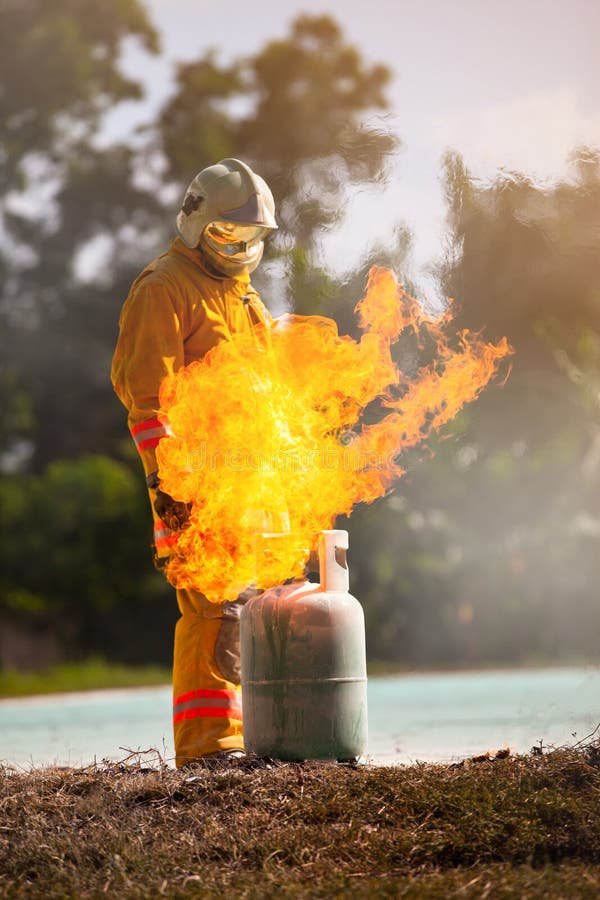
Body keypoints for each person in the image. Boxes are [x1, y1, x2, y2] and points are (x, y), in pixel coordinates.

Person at [111, 158, 277, 767]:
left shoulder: (244, 296)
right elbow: (148, 399)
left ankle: (264, 734)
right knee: (214, 611)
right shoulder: (163, 288)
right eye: (227, 232)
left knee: (260, 613)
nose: (239, 246)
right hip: (195, 486)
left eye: (250, 235)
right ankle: (209, 748)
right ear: (196, 223)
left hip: (252, 483)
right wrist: (169, 483)